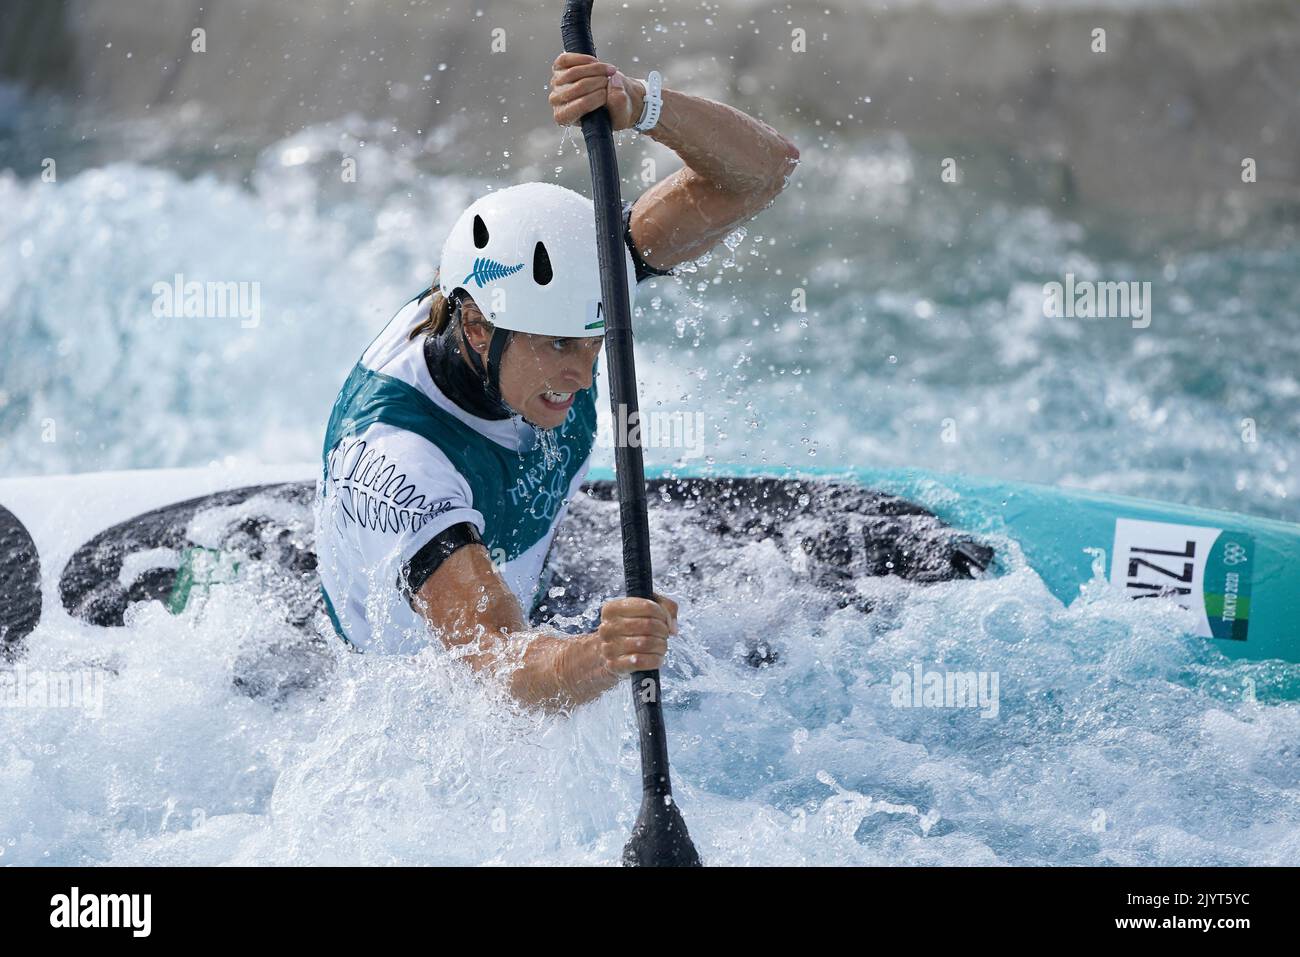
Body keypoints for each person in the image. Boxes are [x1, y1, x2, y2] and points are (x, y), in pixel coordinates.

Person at [314, 53, 800, 712]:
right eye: (559, 347)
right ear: (481, 330)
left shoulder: (562, 293)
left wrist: (643, 104)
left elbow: (762, 173)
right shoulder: (405, 463)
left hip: (526, 595)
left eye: (596, 342)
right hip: (413, 710)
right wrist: (604, 653)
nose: (583, 372)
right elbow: (502, 670)